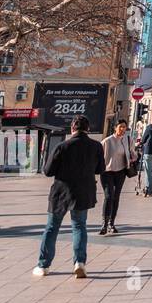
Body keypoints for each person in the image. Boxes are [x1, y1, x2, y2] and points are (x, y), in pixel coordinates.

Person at [33, 116, 104, 278]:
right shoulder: (96, 146)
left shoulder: (62, 146)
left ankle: (43, 265)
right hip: (83, 193)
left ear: (72, 128)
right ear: (88, 129)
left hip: (61, 193)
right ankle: (79, 263)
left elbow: (48, 171)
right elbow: (100, 169)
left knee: (52, 228)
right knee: (79, 226)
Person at [100, 120, 137, 235]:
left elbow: (133, 153)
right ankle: (104, 224)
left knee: (116, 197)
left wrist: (133, 158)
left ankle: (112, 223)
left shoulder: (128, 140)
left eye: (124, 127)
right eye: (120, 127)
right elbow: (100, 157)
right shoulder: (107, 141)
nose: (122, 129)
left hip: (121, 171)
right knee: (109, 196)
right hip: (107, 172)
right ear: (115, 128)